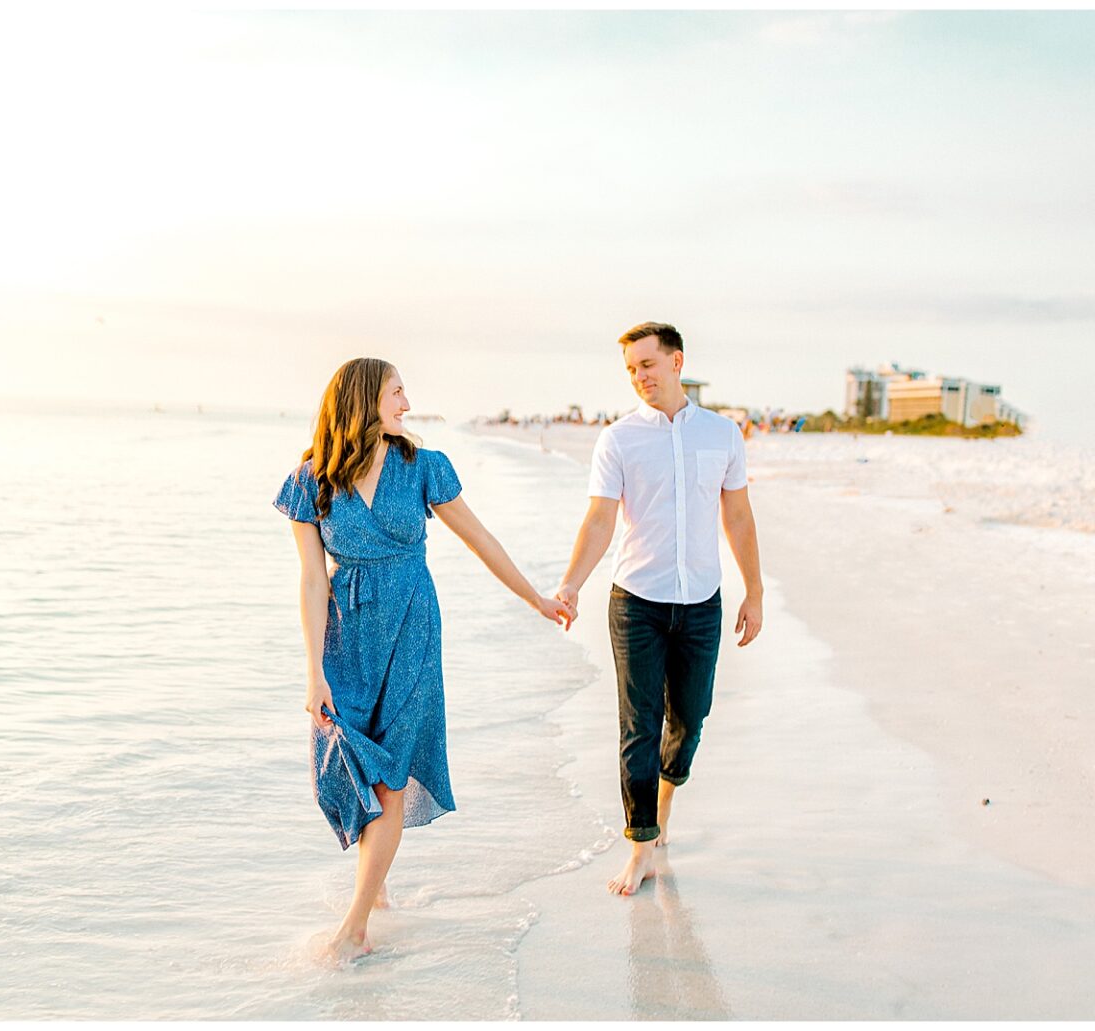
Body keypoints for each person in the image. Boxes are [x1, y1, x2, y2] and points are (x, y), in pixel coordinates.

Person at [274, 357, 575, 961]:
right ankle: (375, 885)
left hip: (412, 630)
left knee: (389, 776)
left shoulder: (422, 467)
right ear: (363, 400)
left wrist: (538, 598)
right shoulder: (311, 480)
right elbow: (311, 581)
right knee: (345, 767)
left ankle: (354, 930)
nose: (407, 404)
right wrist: (313, 674)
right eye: (397, 392)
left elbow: (481, 538)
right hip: (346, 640)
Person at [555, 321, 763, 896]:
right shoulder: (618, 440)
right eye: (630, 369)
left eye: (647, 364)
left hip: (702, 602)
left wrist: (756, 591)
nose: (639, 377)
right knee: (637, 726)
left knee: (690, 717)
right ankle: (641, 846)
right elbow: (600, 520)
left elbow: (738, 516)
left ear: (676, 362)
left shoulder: (723, 434)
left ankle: (664, 801)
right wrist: (571, 585)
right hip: (636, 603)